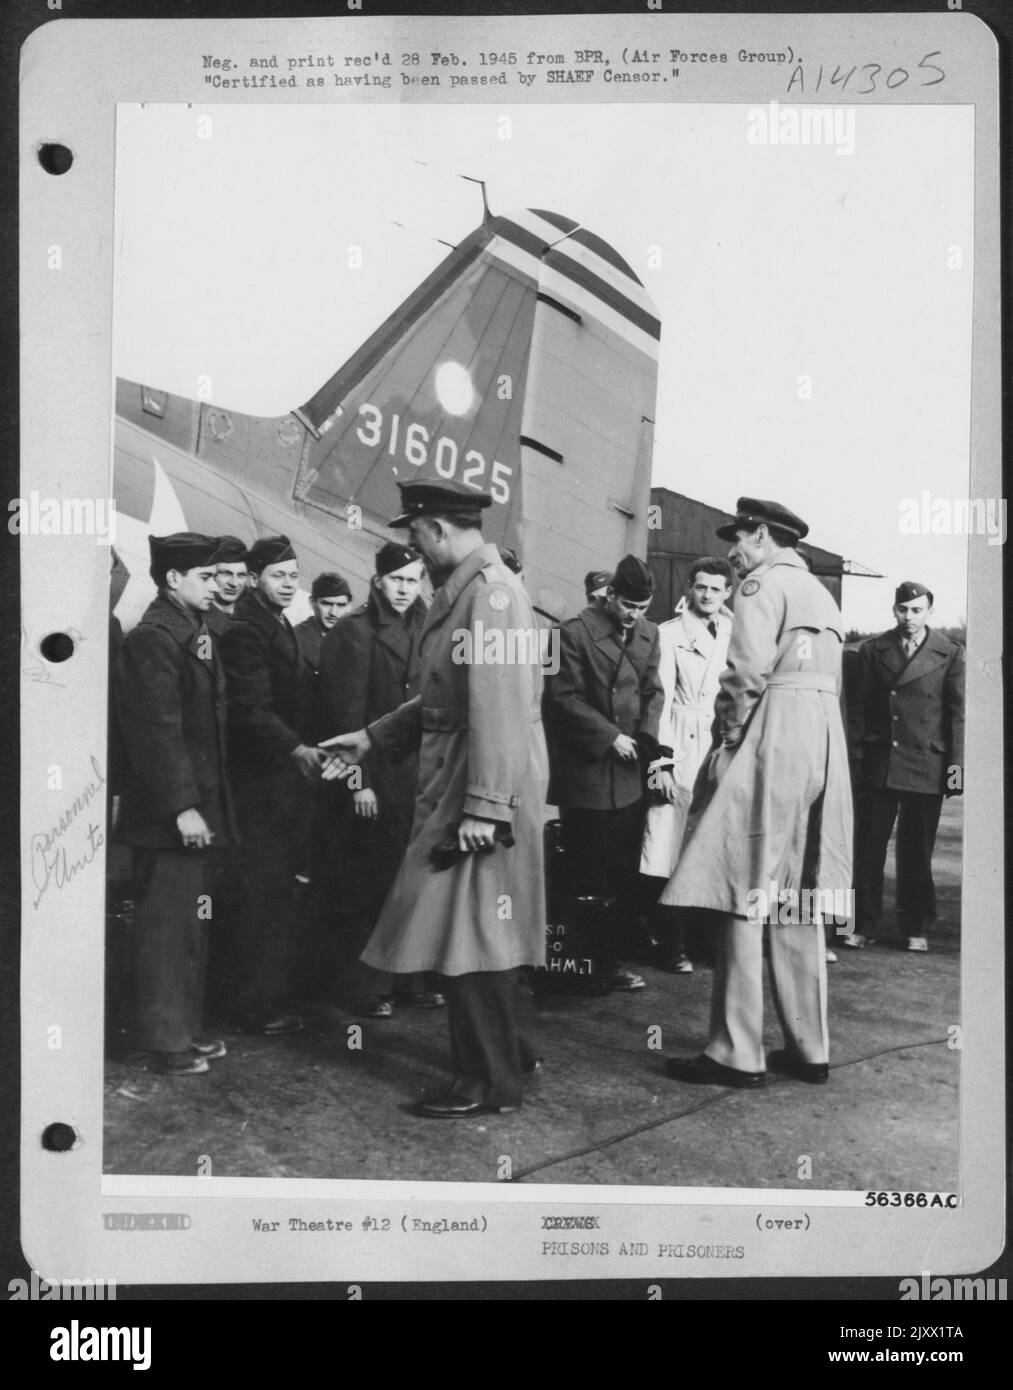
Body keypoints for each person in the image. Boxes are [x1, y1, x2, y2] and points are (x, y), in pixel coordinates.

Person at [322, 480, 548, 1118]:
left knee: (475, 937)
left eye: (414, 535)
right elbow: (445, 697)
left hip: (480, 791)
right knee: (469, 935)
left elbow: (501, 709)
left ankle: (490, 1082)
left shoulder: (493, 596)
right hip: (464, 782)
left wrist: (486, 809)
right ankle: (497, 1068)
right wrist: (373, 737)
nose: (413, 551)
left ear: (441, 530)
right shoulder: (473, 592)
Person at [661, 498, 853, 1088]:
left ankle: (736, 1051)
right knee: (797, 889)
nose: (733, 553)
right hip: (823, 737)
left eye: (738, 540)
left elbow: (744, 673)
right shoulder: (821, 593)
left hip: (774, 728)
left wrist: (730, 738)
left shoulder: (758, 586)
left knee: (743, 881)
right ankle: (809, 1046)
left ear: (763, 535)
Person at [115, 532, 236, 1075]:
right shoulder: (155, 637)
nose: (216, 586)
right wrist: (182, 807)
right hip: (173, 815)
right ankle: (162, 1043)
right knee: (167, 929)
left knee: (188, 925)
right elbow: (156, 730)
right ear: (173, 579)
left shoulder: (192, 630)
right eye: (206, 577)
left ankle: (180, 1030)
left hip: (196, 809)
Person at [315, 542, 441, 1016]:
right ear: (378, 580)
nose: (406, 590)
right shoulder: (354, 633)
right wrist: (358, 783)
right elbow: (343, 716)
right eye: (397, 580)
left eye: (413, 580)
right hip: (374, 778)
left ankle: (408, 980)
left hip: (418, 778)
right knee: (366, 885)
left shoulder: (429, 626)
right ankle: (362, 986)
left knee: (412, 883)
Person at [217, 534, 328, 1033]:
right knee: (262, 893)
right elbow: (250, 707)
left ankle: (262, 997)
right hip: (261, 781)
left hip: (278, 781)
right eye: (279, 576)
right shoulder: (248, 629)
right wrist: (296, 748)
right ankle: (254, 1006)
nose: (289, 584)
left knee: (273, 891)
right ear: (255, 578)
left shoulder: (273, 622)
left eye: (292, 576)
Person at [544, 555, 666, 992]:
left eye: (643, 607)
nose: (634, 615)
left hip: (629, 776)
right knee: (584, 875)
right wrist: (610, 736)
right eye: (628, 605)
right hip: (588, 774)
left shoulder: (650, 635)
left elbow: (654, 692)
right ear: (610, 595)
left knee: (621, 875)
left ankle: (609, 963)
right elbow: (561, 698)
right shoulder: (570, 633)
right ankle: (577, 968)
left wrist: (647, 736)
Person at [845, 581, 964, 952]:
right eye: (903, 610)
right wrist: (857, 761)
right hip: (880, 762)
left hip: (927, 762)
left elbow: (958, 716)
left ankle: (915, 927)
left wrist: (955, 768)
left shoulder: (950, 653)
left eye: (916, 610)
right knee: (868, 849)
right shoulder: (872, 651)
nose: (909, 617)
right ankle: (861, 923)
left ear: (929, 612)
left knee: (917, 853)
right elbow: (859, 710)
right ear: (893, 610)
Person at [639, 557, 734, 973]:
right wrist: (659, 761)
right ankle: (667, 942)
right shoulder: (669, 633)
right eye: (701, 587)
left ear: (727, 592)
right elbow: (658, 703)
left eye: (716, 589)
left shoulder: (736, 633)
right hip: (680, 738)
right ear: (689, 589)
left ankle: (705, 940)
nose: (708, 595)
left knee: (710, 843)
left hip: (721, 743)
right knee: (666, 844)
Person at [293, 572, 353, 677]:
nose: (333, 612)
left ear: (349, 606)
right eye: (326, 603)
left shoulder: (356, 641)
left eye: (341, 605)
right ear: (312, 603)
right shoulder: (295, 639)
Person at [205, 536, 249, 635]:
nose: (234, 583)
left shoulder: (254, 612)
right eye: (226, 574)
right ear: (211, 574)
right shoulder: (196, 617)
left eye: (241, 575)